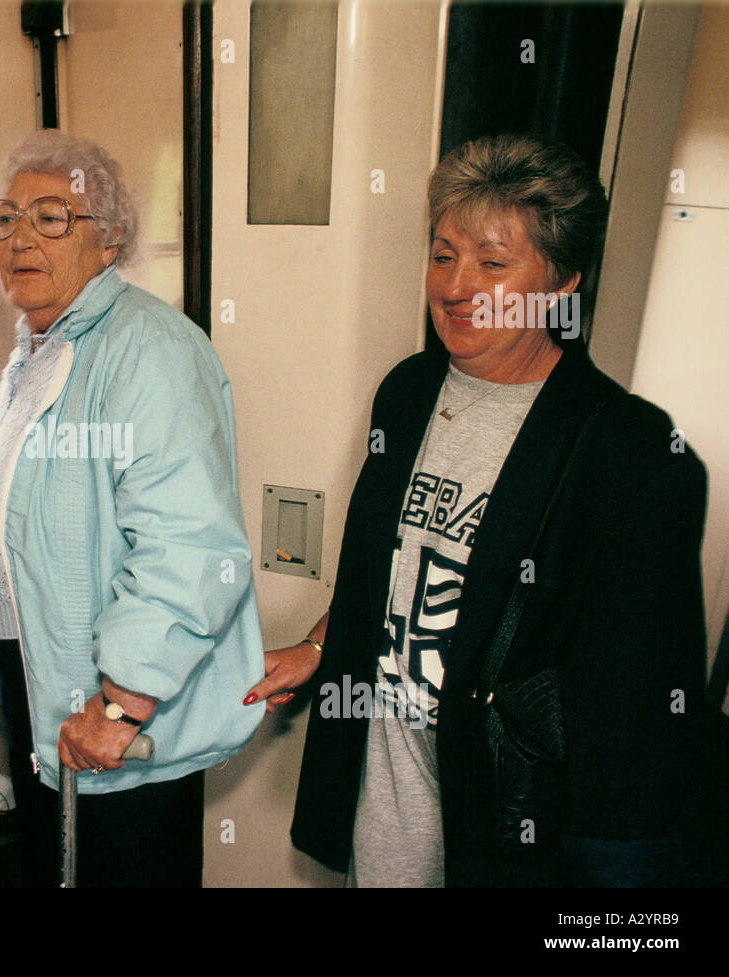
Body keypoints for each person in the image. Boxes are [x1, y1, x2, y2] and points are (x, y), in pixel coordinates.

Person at [246, 133, 709, 887]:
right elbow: (383, 571)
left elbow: (637, 714)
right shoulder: (408, 392)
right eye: (443, 254)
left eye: (493, 263)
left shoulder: (628, 451)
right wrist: (322, 645)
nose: (456, 286)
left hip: (505, 820)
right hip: (386, 790)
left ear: (563, 282)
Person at [0, 131, 264, 887]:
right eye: (9, 218)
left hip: (115, 695)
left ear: (111, 240)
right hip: (43, 676)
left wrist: (122, 706)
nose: (21, 237)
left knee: (123, 866)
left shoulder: (148, 351)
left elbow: (191, 551)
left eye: (53, 217)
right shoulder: (41, 346)